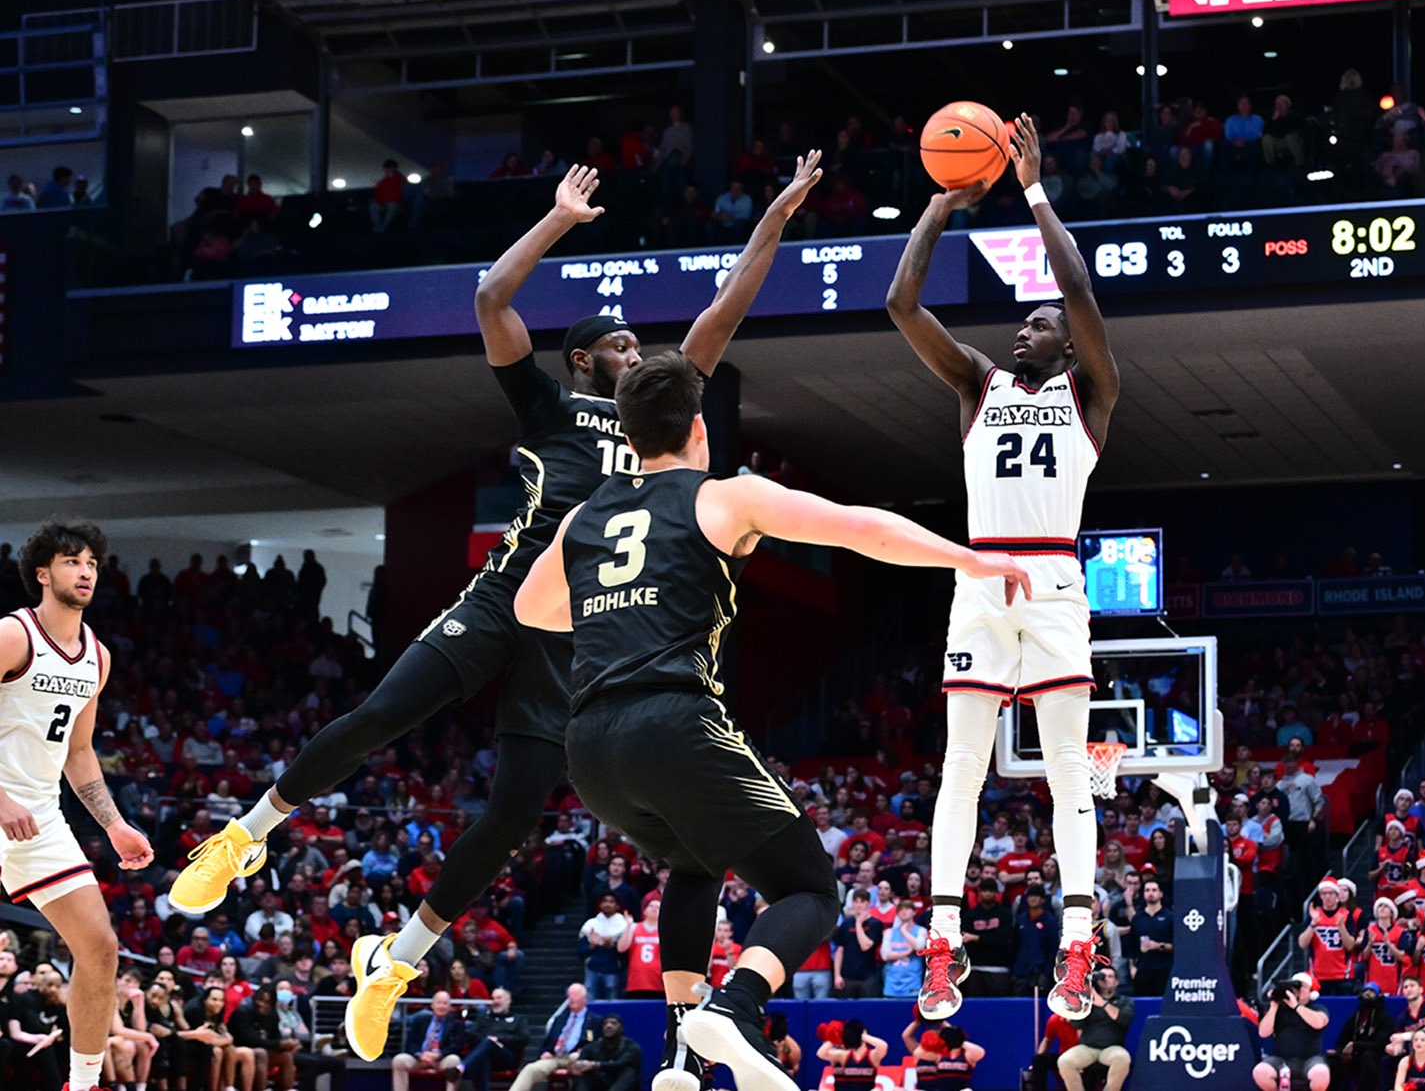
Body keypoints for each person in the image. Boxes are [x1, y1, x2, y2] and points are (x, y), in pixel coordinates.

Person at [170, 156, 827, 1062]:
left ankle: (397, 962)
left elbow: (726, 309)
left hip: (589, 633)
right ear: (583, 359)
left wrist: (777, 219)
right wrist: (559, 219)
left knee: (515, 814)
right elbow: (491, 299)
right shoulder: (552, 406)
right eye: (620, 344)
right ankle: (246, 835)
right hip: (506, 600)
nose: (637, 351)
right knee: (385, 714)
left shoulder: (660, 415)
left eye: (642, 346)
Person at [513, 352, 1029, 1091]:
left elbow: (534, 610)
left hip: (589, 749)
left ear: (626, 441)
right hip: (673, 723)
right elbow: (857, 529)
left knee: (695, 862)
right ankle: (738, 1006)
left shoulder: (584, 519)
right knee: (813, 891)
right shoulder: (725, 496)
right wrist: (969, 560)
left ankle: (681, 1059)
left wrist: (611, 603)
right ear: (699, 428)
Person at [887, 112, 1120, 1023]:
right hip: (980, 581)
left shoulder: (1091, 393)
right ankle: (942, 945)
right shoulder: (976, 385)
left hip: (1057, 582)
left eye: (1039, 325)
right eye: (1022, 325)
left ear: (1067, 345)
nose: (1024, 331)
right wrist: (939, 208)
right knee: (961, 772)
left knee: (1070, 767)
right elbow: (903, 307)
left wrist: (1032, 192)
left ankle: (1076, 942)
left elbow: (1078, 286)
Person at [0, 518, 157, 1091]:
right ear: (42, 574)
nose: (85, 570)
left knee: (99, 945)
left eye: (90, 562)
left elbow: (82, 751)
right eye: (71, 561)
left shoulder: (98, 655)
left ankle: (84, 1084)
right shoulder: (12, 635)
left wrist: (114, 826)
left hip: (39, 818)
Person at [507, 985, 601, 1091]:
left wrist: (584, 1051)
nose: (571, 998)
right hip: (555, 1057)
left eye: (575, 995)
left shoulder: (595, 1020)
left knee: (577, 1058)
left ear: (584, 998)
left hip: (576, 1057)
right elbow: (547, 1042)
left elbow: (597, 1045)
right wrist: (545, 1052)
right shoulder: (559, 1019)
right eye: (569, 995)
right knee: (530, 1069)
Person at [1057, 967, 1131, 1091]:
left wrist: (1102, 1003)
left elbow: (1125, 1019)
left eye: (1110, 976)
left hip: (1112, 1047)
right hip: (1087, 1047)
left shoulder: (1124, 1001)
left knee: (1123, 1058)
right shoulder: (1089, 1001)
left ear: (1117, 982)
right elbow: (1077, 1025)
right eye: (1103, 976)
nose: (1105, 979)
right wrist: (1081, 1005)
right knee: (1065, 1061)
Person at [1256, 976, 1331, 1091]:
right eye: (1296, 986)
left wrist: (1296, 1006)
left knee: (1321, 1074)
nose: (1299, 990)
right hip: (1282, 1060)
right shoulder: (1279, 1010)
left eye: (1303, 986)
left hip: (1310, 1059)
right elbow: (1263, 1033)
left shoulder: (1318, 1008)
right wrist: (1273, 1006)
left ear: (1311, 992)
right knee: (1260, 1072)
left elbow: (1319, 1022)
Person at [456, 987, 530, 1091]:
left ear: (508, 1000)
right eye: (493, 998)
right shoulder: (484, 1018)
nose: (495, 1001)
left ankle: (461, 1067)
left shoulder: (519, 1019)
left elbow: (524, 1038)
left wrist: (499, 1040)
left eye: (499, 998)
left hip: (507, 1057)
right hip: (486, 1054)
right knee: (484, 1057)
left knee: (488, 1045)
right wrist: (488, 1041)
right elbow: (472, 1034)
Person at [393, 991, 468, 1091]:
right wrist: (420, 1055)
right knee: (399, 1060)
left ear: (449, 1006)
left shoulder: (456, 1024)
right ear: (432, 1005)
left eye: (445, 1003)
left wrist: (439, 1055)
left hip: (441, 1060)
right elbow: (410, 1043)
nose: (442, 1006)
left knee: (454, 1060)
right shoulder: (420, 1020)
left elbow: (457, 1046)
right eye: (439, 1002)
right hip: (420, 1059)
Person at [574, 1014, 643, 1091]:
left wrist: (595, 1065)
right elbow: (580, 1064)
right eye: (605, 1024)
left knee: (629, 1072)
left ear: (621, 1028)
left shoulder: (631, 1046)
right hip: (600, 1083)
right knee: (582, 1072)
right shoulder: (591, 1047)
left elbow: (619, 1064)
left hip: (622, 1084)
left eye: (613, 1023)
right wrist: (578, 1066)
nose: (608, 1026)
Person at [818, 1020, 887, 1091]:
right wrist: (833, 1039)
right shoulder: (844, 1055)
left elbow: (883, 1046)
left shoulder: (872, 1056)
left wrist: (864, 1037)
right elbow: (821, 1054)